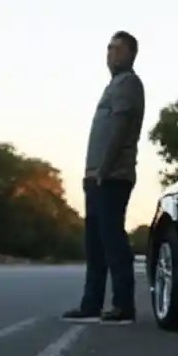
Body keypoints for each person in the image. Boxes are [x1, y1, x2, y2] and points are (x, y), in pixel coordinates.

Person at [61, 30, 146, 325]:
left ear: (131, 54)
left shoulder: (128, 84)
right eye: (108, 49)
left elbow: (120, 127)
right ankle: (91, 303)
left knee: (112, 239)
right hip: (97, 175)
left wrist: (105, 168)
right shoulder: (114, 85)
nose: (110, 54)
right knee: (95, 243)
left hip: (113, 175)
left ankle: (123, 306)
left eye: (117, 49)